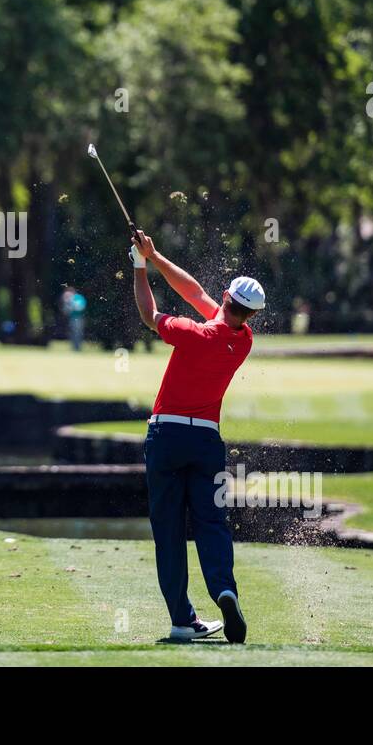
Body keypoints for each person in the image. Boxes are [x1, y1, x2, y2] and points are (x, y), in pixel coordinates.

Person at [130, 229, 263, 644]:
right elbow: (194, 291)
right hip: (206, 443)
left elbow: (148, 314)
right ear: (251, 314)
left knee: (168, 531)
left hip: (166, 437)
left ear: (226, 297)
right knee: (212, 522)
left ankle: (182, 620)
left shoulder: (194, 332)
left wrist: (139, 265)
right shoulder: (243, 340)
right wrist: (155, 255)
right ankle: (224, 589)